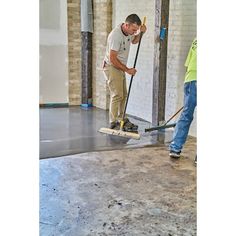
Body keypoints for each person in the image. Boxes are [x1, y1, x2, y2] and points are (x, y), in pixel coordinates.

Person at [102, 14, 147, 131]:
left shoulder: (128, 33)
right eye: (133, 30)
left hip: (119, 67)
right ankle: (113, 122)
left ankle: (121, 118)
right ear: (126, 25)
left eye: (136, 30)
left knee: (123, 95)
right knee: (117, 95)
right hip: (112, 67)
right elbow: (112, 59)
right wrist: (127, 70)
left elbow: (134, 41)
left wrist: (141, 33)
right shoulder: (115, 36)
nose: (134, 32)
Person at [169, 38, 197, 159]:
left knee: (186, 114)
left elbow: (188, 64)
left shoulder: (196, 39)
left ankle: (175, 148)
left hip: (190, 80)